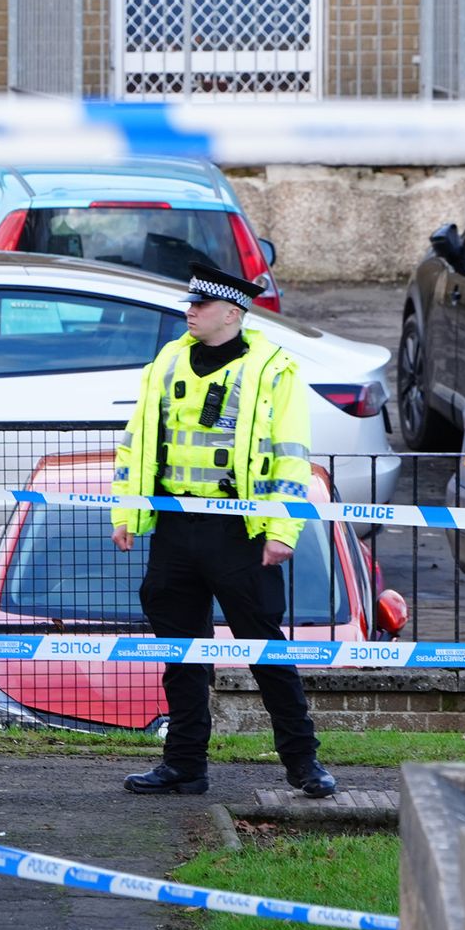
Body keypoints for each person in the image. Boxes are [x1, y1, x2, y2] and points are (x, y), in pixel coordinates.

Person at [109, 262, 337, 798]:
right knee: (181, 654)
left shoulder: (271, 370)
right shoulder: (167, 361)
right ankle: (184, 766)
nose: (189, 312)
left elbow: (290, 459)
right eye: (189, 304)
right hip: (174, 526)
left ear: (232, 313)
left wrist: (283, 532)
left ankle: (304, 766)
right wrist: (126, 512)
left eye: (200, 306)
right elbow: (136, 442)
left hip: (240, 532)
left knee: (267, 652)